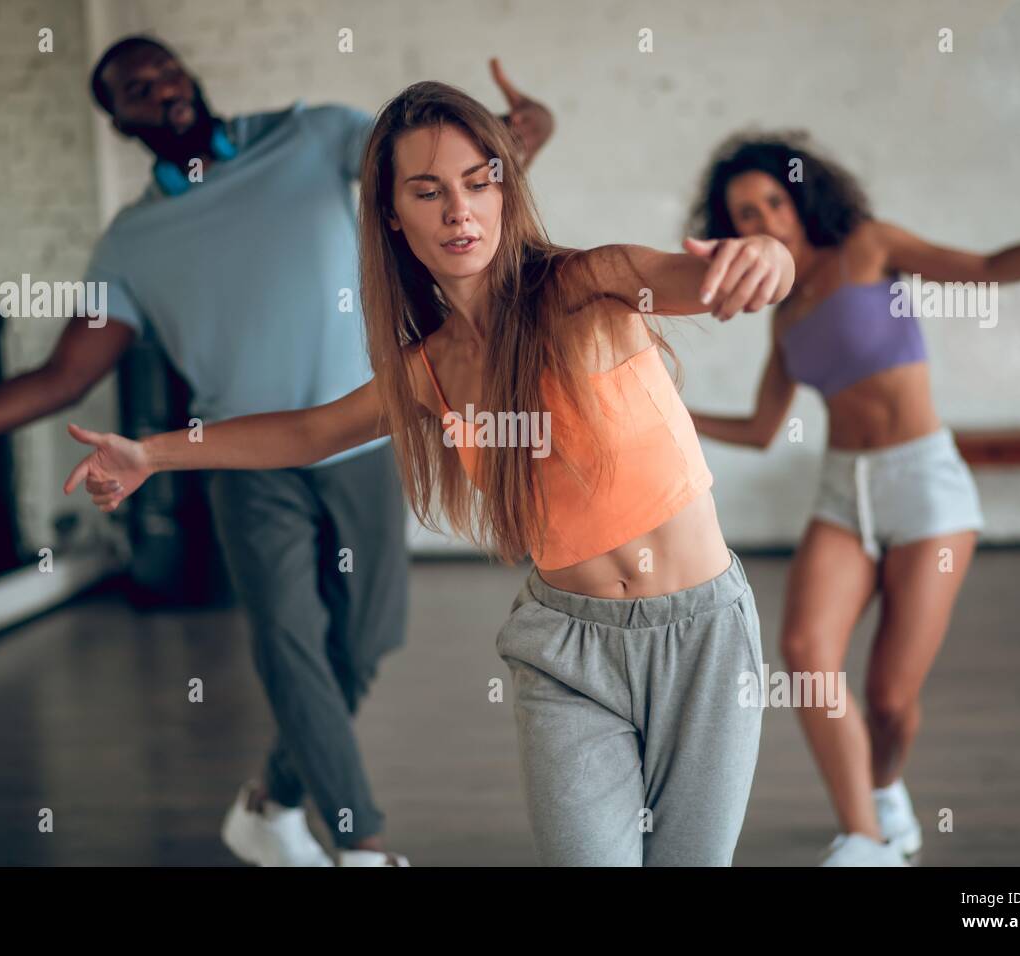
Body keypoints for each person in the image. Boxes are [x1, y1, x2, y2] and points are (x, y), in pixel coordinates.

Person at [0, 36, 554, 868]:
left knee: (366, 641)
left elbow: (446, 181)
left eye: (161, 70)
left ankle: (269, 802)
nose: (156, 88)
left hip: (362, 436)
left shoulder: (317, 134)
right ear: (119, 120)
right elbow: (66, 374)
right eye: (133, 89)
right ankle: (361, 842)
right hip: (242, 462)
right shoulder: (133, 241)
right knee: (290, 644)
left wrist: (527, 128)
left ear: (187, 74)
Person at [62, 80, 796, 866]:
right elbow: (310, 432)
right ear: (391, 214)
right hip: (565, 653)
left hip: (701, 637)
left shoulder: (591, 284)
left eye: (480, 180)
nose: (459, 209)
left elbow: (707, 281)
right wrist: (152, 453)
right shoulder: (427, 371)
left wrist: (768, 257)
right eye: (428, 189)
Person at [684, 131, 1020, 866]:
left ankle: (886, 792)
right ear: (733, 232)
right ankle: (865, 838)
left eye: (773, 199)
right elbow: (765, 429)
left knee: (890, 699)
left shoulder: (869, 245)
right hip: (841, 492)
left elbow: (986, 270)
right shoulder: (784, 313)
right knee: (804, 653)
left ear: (800, 196)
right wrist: (674, 412)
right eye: (746, 213)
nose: (766, 218)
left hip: (925, 485)